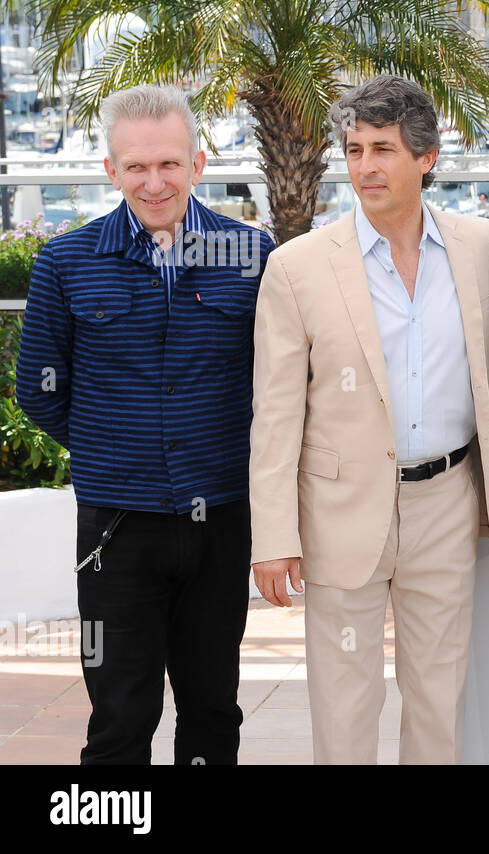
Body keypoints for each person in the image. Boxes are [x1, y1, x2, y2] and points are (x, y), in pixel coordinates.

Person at [249, 75, 489, 764]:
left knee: (439, 697)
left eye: (384, 149)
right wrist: (273, 536)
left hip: (448, 502)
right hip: (340, 505)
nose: (365, 166)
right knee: (346, 701)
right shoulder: (296, 267)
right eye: (354, 149)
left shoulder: (480, 246)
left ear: (426, 158)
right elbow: (275, 414)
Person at [16, 84, 276, 764]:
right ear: (111, 171)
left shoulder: (253, 256)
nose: (154, 181)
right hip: (115, 529)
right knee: (120, 720)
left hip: (221, 520)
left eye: (168, 164)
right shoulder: (65, 263)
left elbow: (279, 387)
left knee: (213, 708)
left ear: (197, 162)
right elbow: (40, 391)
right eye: (136, 167)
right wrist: (117, 446)